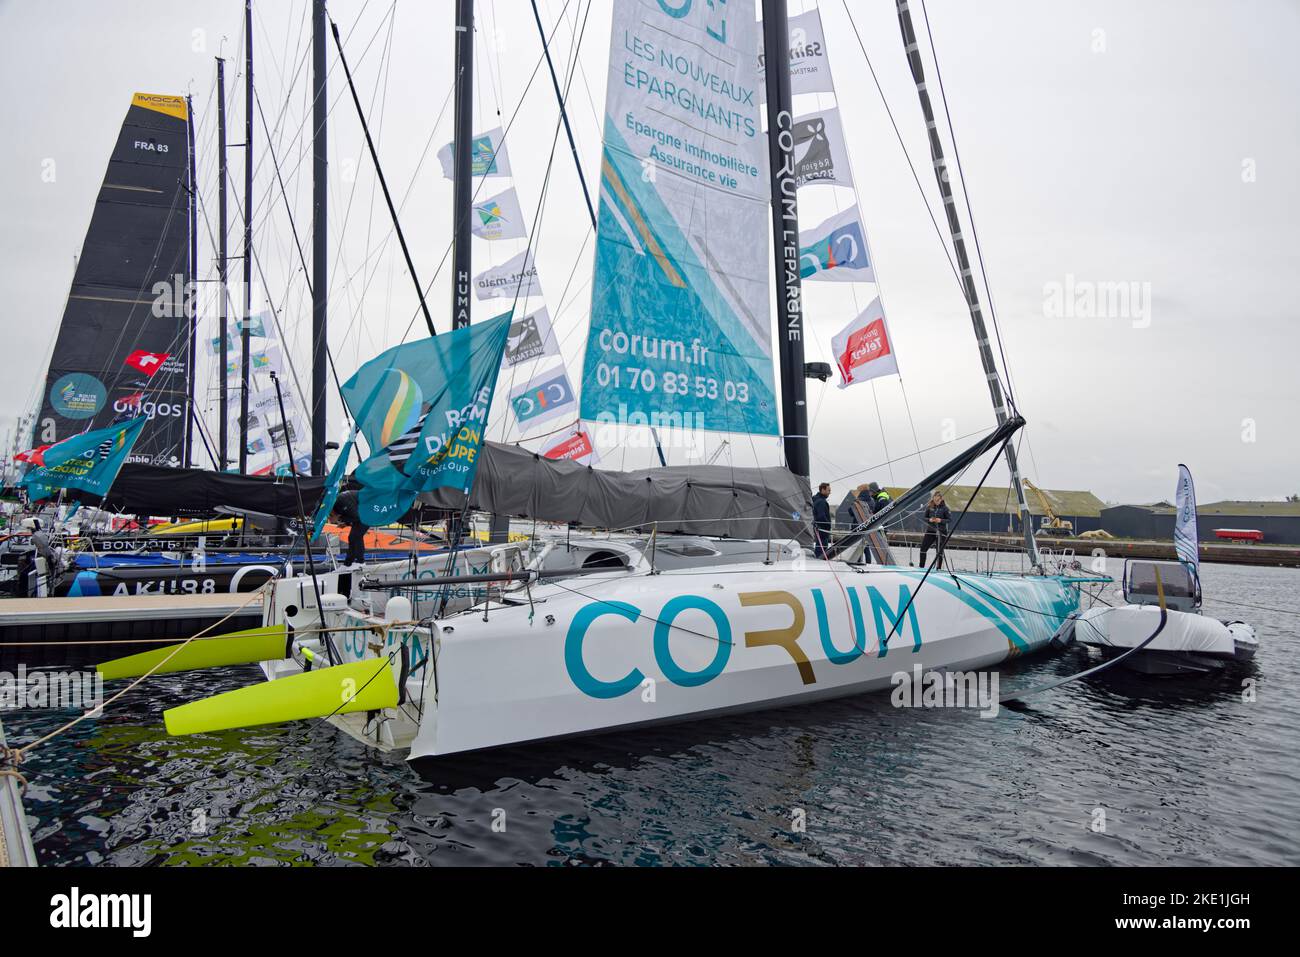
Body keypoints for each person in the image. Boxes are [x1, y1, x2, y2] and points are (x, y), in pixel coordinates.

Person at [330, 488, 369, 566]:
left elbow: (356, 517)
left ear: (332, 513)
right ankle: (348, 564)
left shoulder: (341, 502)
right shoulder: (338, 506)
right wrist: (345, 523)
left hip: (368, 511)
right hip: (360, 511)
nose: (330, 521)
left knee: (356, 536)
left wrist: (344, 521)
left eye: (330, 517)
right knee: (351, 538)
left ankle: (360, 562)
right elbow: (352, 515)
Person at [920, 490, 951, 569]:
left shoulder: (945, 508)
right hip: (931, 531)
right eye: (935, 499)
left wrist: (940, 520)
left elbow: (949, 520)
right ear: (933, 498)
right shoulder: (929, 507)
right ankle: (921, 567)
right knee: (923, 549)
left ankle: (939, 568)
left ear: (941, 499)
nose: (937, 501)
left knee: (939, 551)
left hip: (941, 532)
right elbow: (924, 518)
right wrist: (930, 520)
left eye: (938, 500)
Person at [811, 482, 833, 558]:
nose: (830, 493)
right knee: (822, 549)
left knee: (819, 547)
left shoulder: (815, 499)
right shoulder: (822, 502)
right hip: (823, 530)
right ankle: (819, 562)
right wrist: (828, 526)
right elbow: (821, 516)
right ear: (822, 490)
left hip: (818, 528)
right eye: (828, 490)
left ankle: (818, 560)